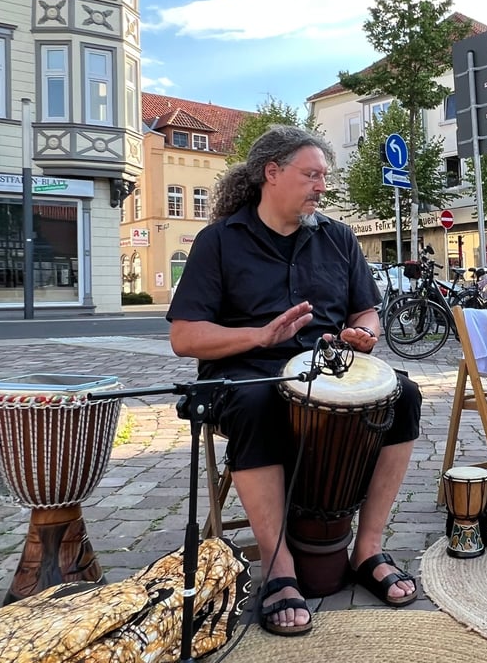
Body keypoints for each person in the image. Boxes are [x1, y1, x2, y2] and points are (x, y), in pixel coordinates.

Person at [167, 126, 421, 636]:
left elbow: (366, 311)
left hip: (326, 368)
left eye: (324, 177)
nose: (321, 187)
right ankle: (278, 567)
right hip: (244, 373)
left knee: (405, 393)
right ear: (272, 173)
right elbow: (185, 336)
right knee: (259, 402)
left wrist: (364, 335)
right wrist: (259, 337)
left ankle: (367, 548)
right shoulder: (219, 241)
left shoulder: (339, 237)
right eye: (311, 175)